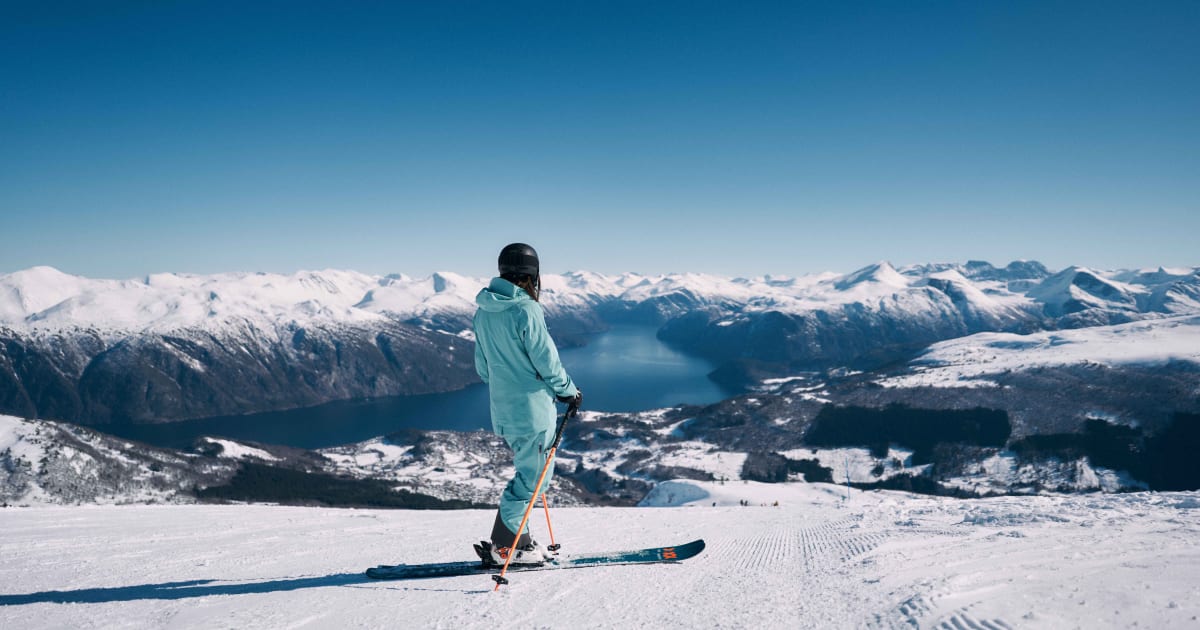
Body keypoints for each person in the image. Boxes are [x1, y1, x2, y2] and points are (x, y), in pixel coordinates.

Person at [473, 243, 581, 565]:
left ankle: (521, 540)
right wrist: (569, 392)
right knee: (534, 480)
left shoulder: (484, 310)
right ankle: (505, 546)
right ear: (533, 275)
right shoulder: (526, 310)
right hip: (532, 412)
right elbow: (547, 361)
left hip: (504, 412)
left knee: (530, 473)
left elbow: (483, 369)